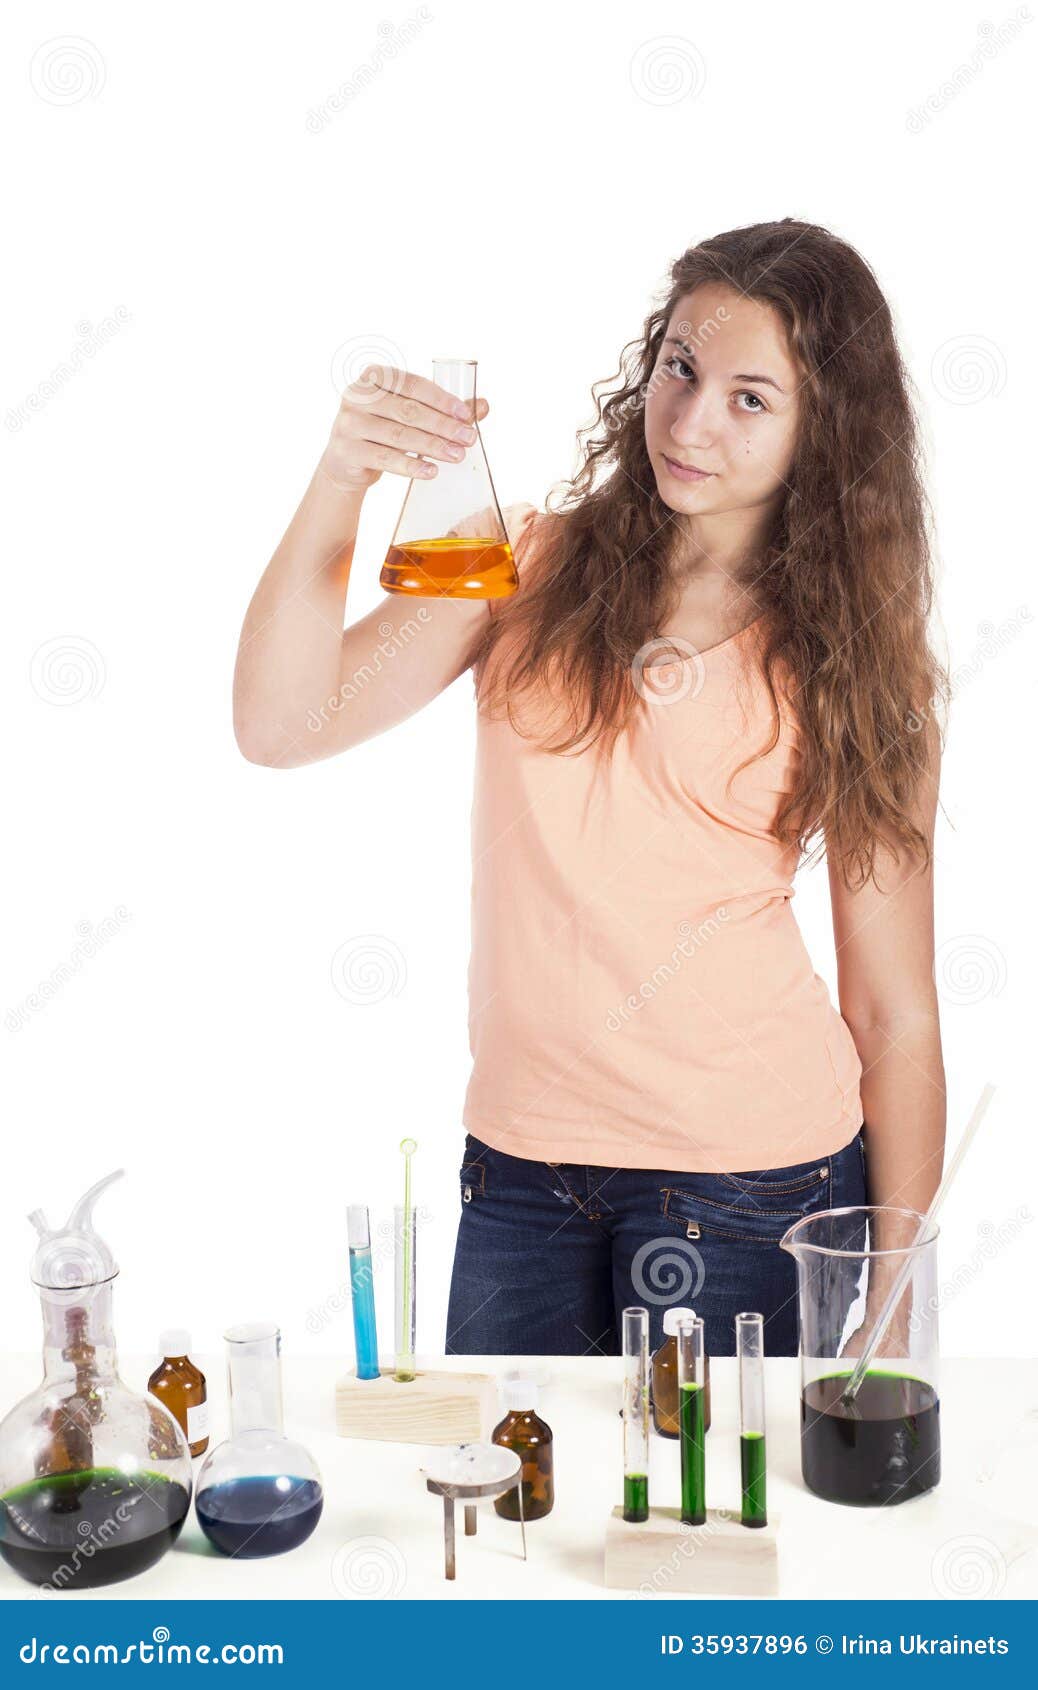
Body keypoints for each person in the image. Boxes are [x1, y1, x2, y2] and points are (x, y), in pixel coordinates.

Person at [233, 219, 947, 1357]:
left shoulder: (857, 659)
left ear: (827, 431)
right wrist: (342, 481)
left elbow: (896, 1009)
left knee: (692, 1519)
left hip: (747, 1178)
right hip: (521, 1167)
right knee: (509, 1518)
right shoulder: (524, 563)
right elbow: (279, 724)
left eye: (751, 399)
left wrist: (900, 1290)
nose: (693, 419)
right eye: (680, 368)